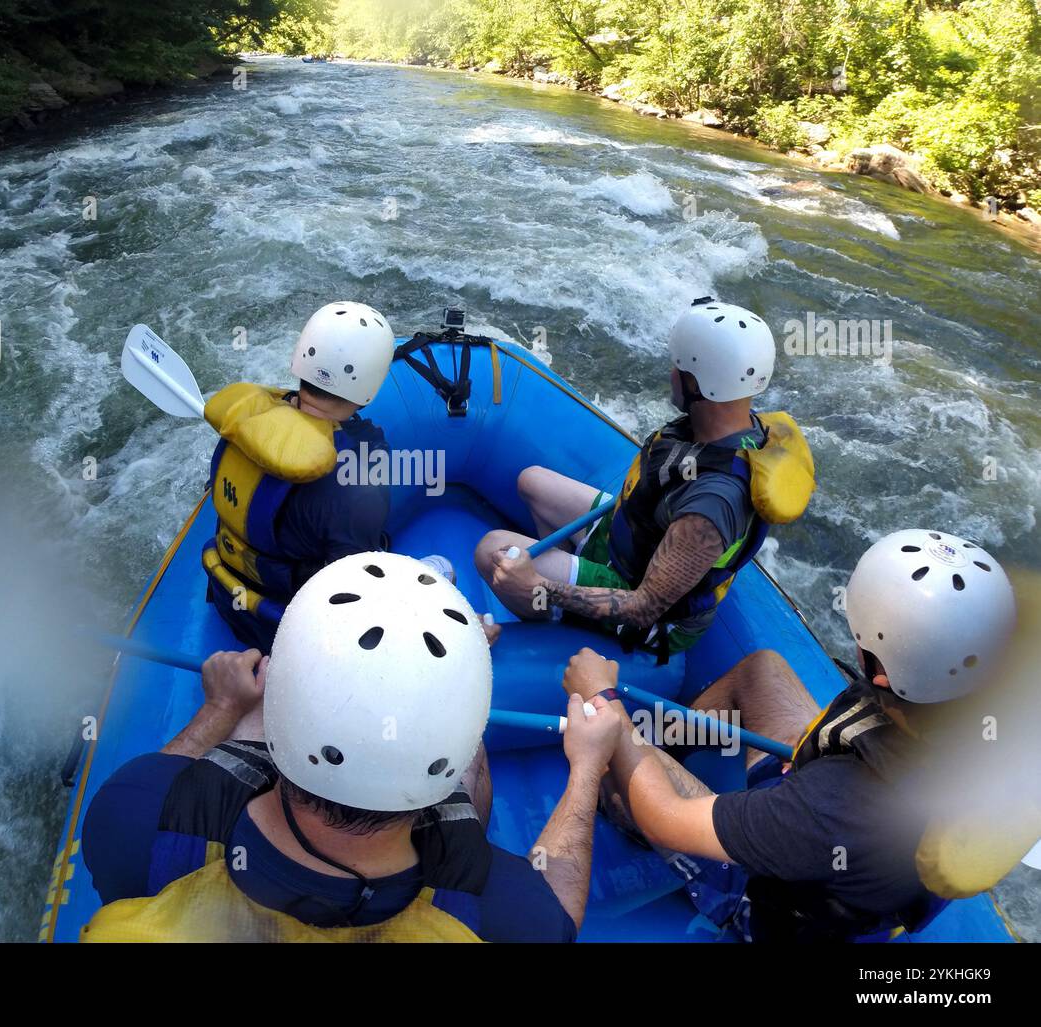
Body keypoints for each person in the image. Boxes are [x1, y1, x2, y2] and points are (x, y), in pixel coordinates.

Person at [79, 551, 616, 942]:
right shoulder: (499, 916)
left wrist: (222, 706)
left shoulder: (129, 820)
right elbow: (558, 908)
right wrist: (587, 765)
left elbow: (166, 776)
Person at [559, 528, 1017, 942]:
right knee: (763, 672)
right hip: (836, 837)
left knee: (617, 745)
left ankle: (619, 804)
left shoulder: (838, 803)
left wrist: (603, 698)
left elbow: (667, 818)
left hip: (774, 900)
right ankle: (663, 758)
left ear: (882, 668)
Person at [476, 297, 814, 662]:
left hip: (641, 605)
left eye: (678, 368)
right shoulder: (729, 422)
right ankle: (570, 578)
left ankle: (555, 617)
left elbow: (643, 607)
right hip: (635, 545)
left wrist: (540, 587)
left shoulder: (710, 509)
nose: (671, 374)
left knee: (491, 550)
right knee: (532, 481)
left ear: (700, 384)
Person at [201, 301, 399, 652]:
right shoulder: (357, 486)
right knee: (441, 569)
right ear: (371, 385)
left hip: (226, 594)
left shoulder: (245, 422)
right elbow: (350, 595)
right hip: (282, 630)